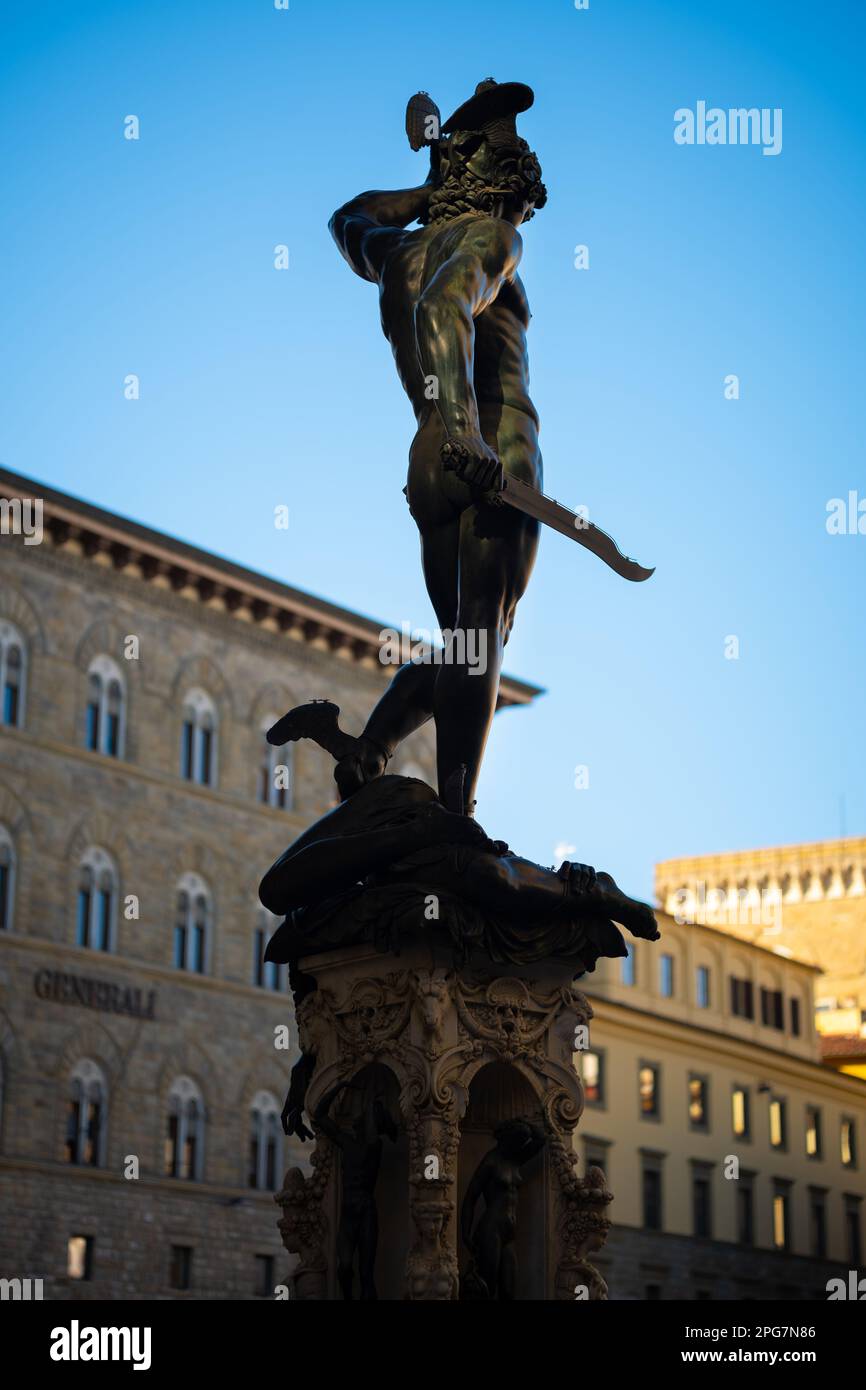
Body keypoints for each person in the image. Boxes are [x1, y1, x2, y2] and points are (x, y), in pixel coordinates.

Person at [327, 80, 548, 814]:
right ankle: (459, 818)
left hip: (429, 463)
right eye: (516, 185)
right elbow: (445, 304)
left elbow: (348, 219)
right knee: (484, 635)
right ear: (495, 189)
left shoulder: (396, 248)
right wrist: (467, 426)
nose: (522, 209)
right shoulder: (492, 238)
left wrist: (427, 193)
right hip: (493, 443)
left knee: (463, 642)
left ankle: (375, 744)